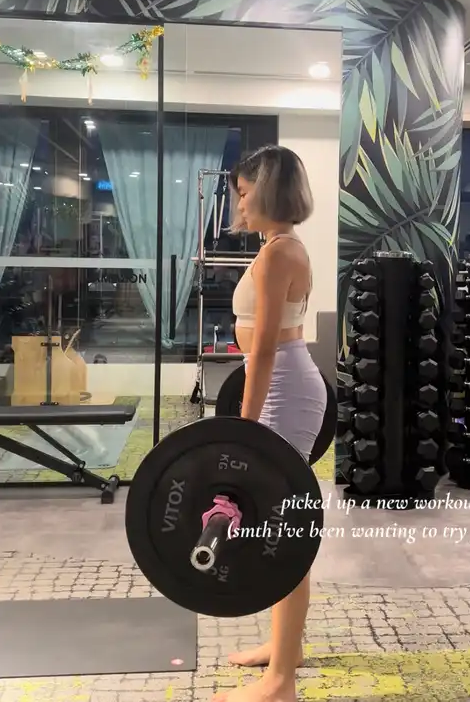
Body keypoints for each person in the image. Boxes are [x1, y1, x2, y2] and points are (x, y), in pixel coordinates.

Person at [213, 145, 327, 702]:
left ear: (267, 190)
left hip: (283, 388)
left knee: (283, 532)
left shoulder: (280, 252)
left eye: (243, 191)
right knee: (279, 524)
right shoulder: (279, 247)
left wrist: (245, 426)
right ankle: (286, 649)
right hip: (284, 381)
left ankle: (281, 681)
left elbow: (261, 350)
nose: (239, 202)